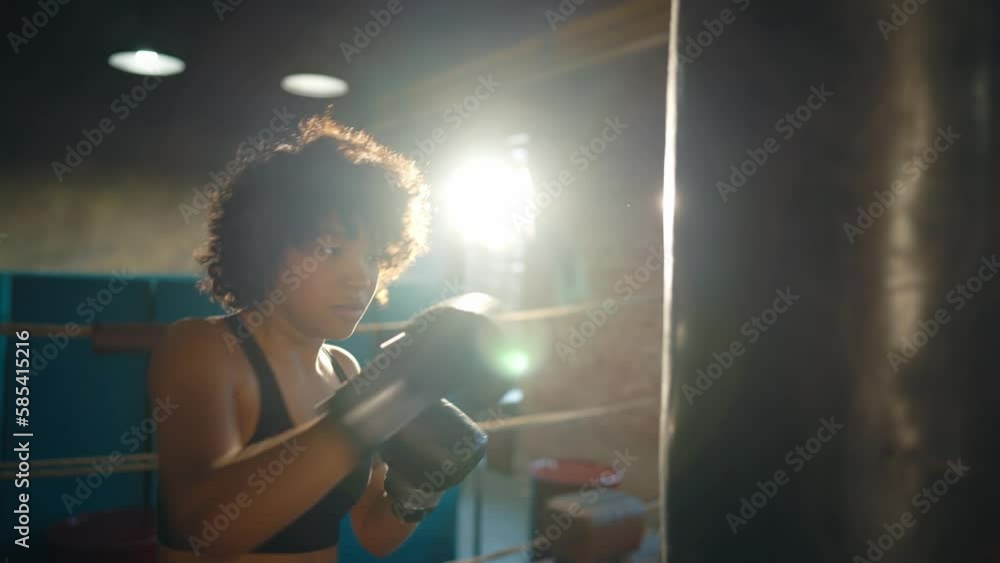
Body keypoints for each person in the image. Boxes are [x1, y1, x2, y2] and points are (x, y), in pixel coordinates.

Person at [148, 112, 442, 562]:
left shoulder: (346, 369)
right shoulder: (204, 349)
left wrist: (423, 481)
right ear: (264, 247)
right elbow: (202, 529)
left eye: (374, 256)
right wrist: (372, 411)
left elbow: (374, 534)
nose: (360, 277)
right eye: (329, 249)